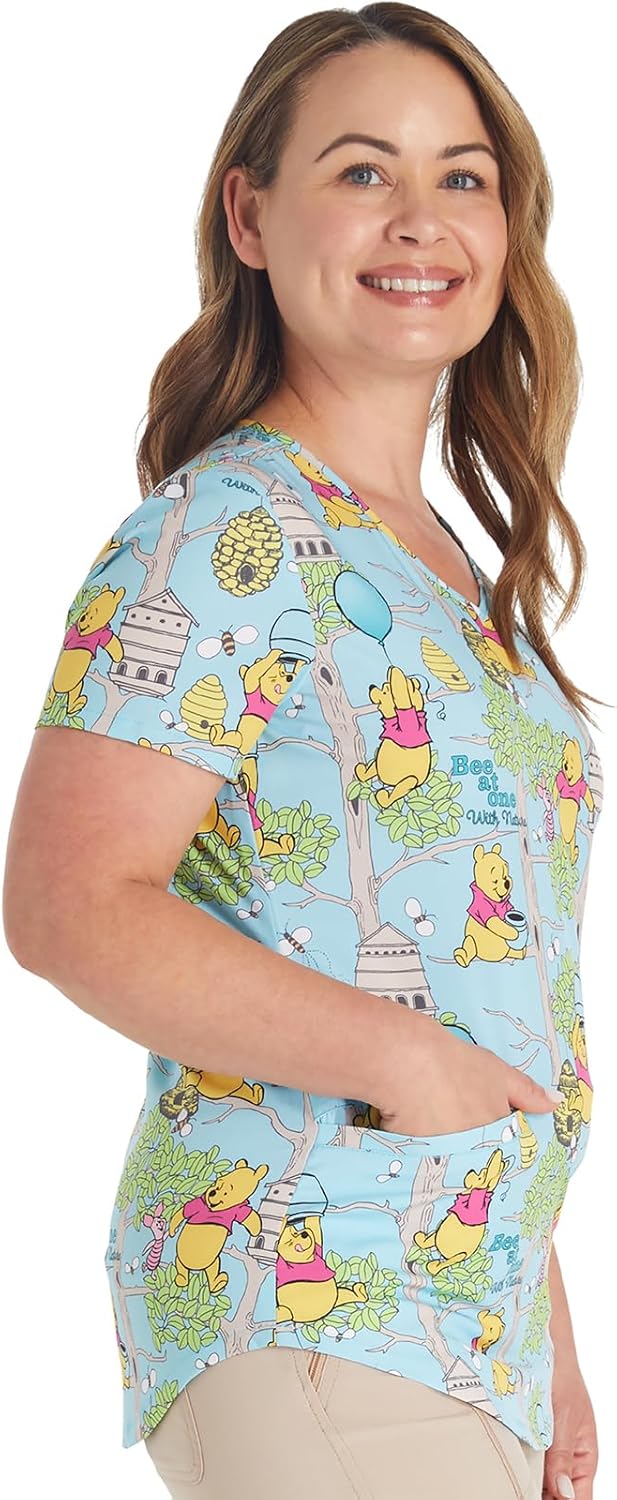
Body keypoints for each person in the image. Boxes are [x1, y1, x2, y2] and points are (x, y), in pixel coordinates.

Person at [3, 5, 606, 1498]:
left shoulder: (445, 570)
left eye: (463, 178)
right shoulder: (225, 533)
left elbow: (476, 967)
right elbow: (68, 903)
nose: (420, 220)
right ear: (251, 216)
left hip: (445, 1312)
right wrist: (406, 1062)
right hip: (305, 1283)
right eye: (361, 170)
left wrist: (540, 1323)